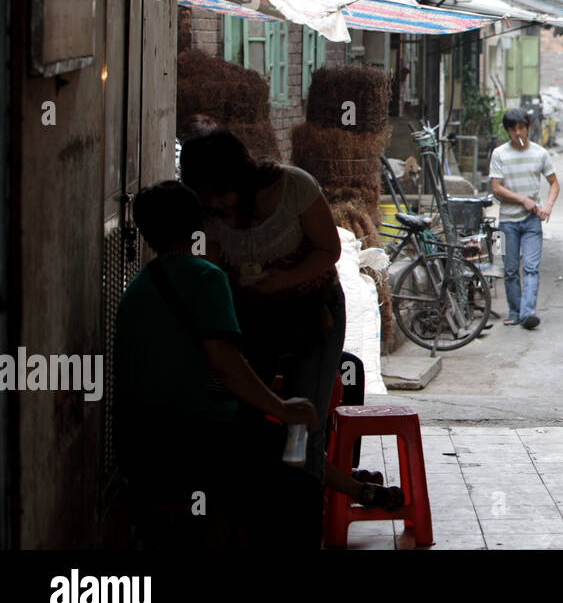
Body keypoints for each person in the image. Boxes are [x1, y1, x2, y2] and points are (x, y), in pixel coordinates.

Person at [180, 130, 401, 525]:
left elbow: (328, 251)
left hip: (311, 314)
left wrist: (281, 281)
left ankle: (301, 524)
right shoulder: (207, 212)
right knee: (248, 418)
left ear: (242, 178)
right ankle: (256, 519)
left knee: (306, 420)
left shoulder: (293, 187)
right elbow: (210, 265)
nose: (213, 203)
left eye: (220, 192)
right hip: (249, 317)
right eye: (203, 194)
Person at [115, 180, 319, 547]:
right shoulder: (207, 278)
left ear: (145, 233)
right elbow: (224, 363)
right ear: (199, 225)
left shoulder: (138, 288)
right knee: (300, 489)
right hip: (194, 443)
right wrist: (281, 408)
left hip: (138, 446)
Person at [489, 107, 560, 330]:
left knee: (530, 267)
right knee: (510, 270)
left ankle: (528, 311)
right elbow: (496, 188)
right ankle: (514, 311)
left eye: (521, 128)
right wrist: (523, 200)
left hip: (532, 222)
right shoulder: (499, 154)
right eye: (513, 129)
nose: (518, 133)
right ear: (508, 131)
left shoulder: (540, 153)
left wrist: (547, 205)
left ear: (528, 128)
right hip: (507, 221)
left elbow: (554, 184)